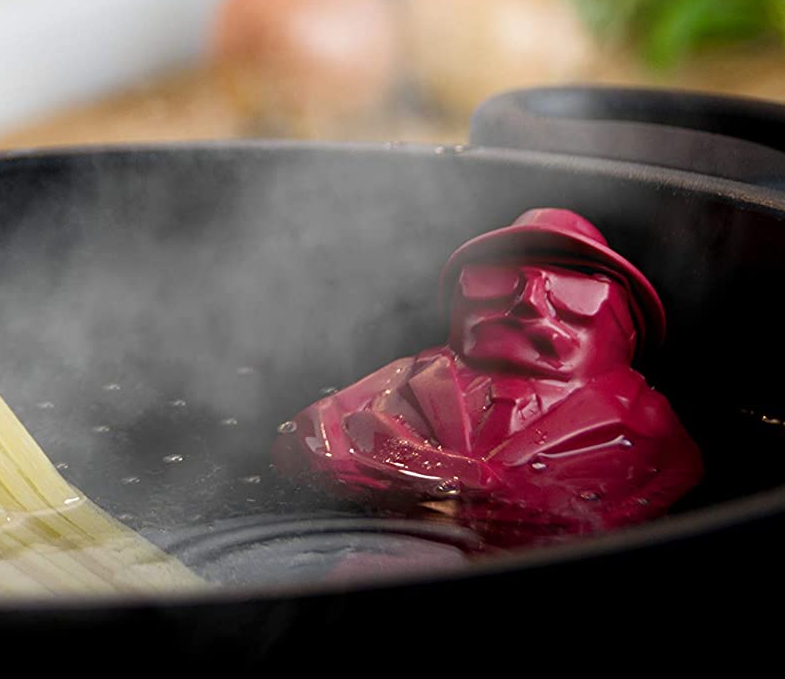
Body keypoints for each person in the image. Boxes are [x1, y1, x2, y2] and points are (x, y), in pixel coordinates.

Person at [273, 208, 703, 541]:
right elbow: (307, 438)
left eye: (573, 294)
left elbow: (637, 505)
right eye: (497, 282)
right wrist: (443, 485)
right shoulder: (410, 376)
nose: (530, 303)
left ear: (622, 325)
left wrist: (474, 492)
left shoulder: (643, 418)